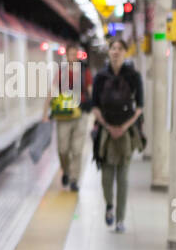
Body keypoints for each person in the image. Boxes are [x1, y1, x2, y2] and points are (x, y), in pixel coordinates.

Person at [86, 37, 144, 232]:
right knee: (107, 176)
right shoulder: (101, 77)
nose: (116, 52)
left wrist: (124, 127)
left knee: (124, 177)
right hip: (106, 132)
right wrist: (108, 126)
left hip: (126, 132)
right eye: (113, 48)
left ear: (125, 52)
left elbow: (140, 107)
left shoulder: (133, 76)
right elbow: (94, 106)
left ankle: (120, 219)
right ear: (109, 52)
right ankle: (109, 205)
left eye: (120, 48)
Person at [44, 56, 86, 192]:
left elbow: (91, 89)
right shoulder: (61, 72)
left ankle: (74, 179)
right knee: (62, 149)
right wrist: (45, 112)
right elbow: (53, 89)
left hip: (80, 114)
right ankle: (66, 171)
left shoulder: (84, 71)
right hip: (63, 115)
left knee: (77, 150)